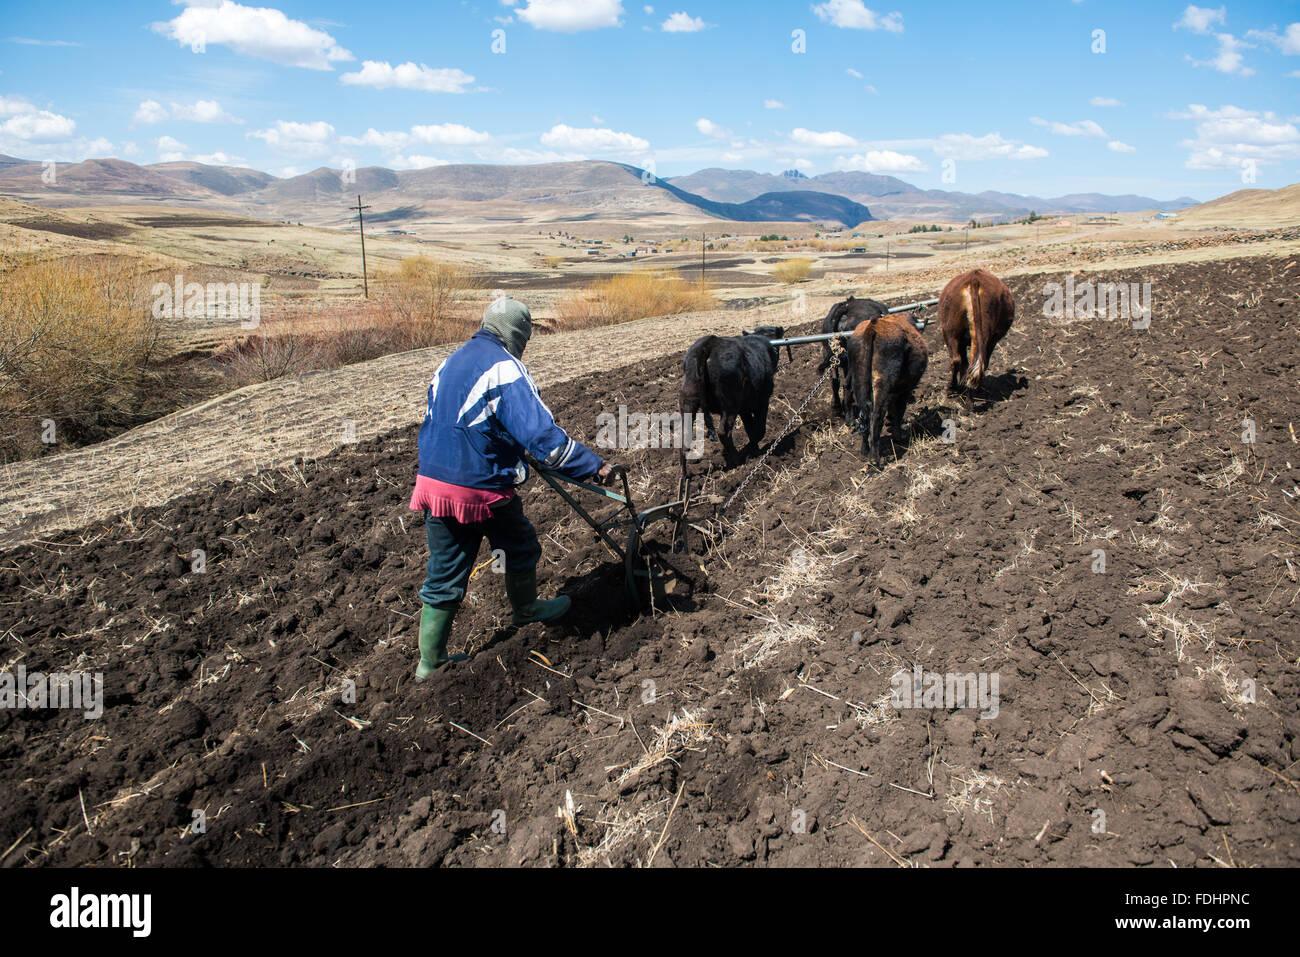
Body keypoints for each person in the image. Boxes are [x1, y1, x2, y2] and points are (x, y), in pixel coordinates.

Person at [409, 297, 620, 680]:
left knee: (444, 572)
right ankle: (526, 609)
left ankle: (430, 662)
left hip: (432, 482)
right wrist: (593, 465)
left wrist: (506, 444)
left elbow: (461, 421)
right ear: (518, 333)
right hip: (478, 486)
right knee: (520, 544)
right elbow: (545, 440)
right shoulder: (505, 368)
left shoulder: (450, 362)